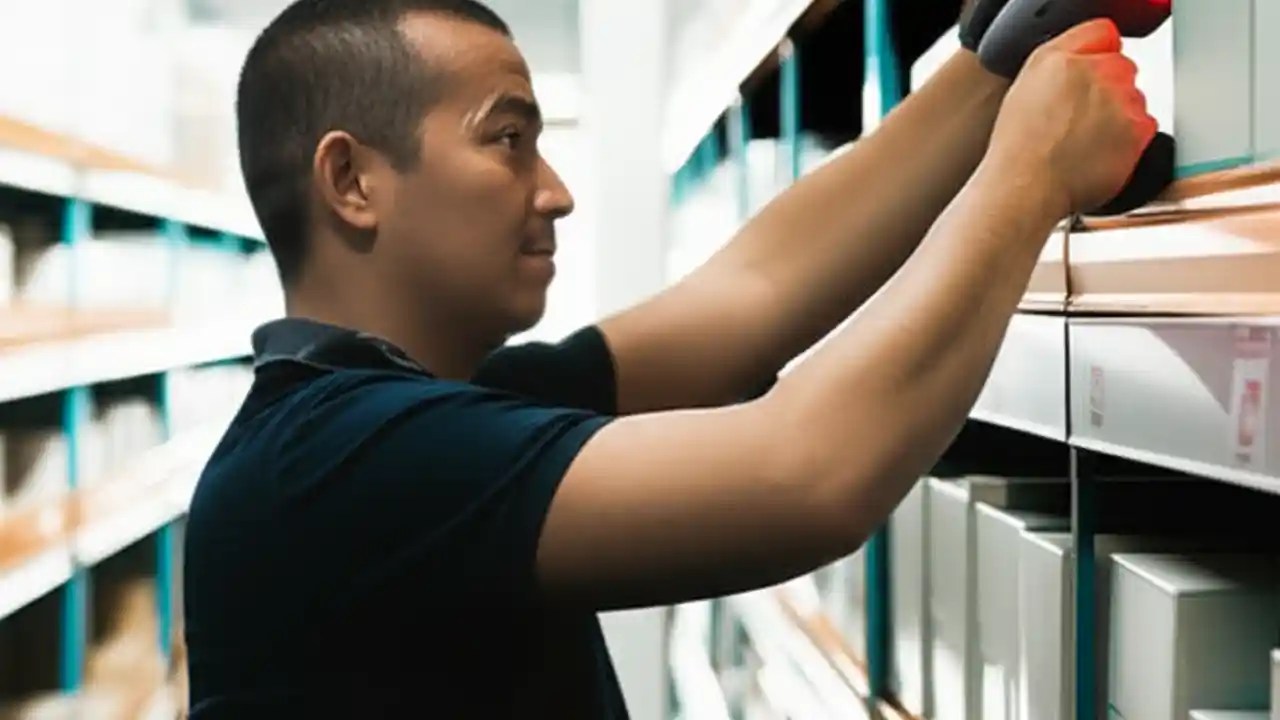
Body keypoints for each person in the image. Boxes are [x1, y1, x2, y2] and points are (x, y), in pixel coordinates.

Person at [182, 0, 1155, 716]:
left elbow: (748, 296)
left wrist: (982, 76)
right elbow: (804, 475)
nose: (555, 193)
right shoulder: (334, 465)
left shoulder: (430, 408)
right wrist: (1028, 179)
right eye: (508, 141)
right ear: (351, 181)